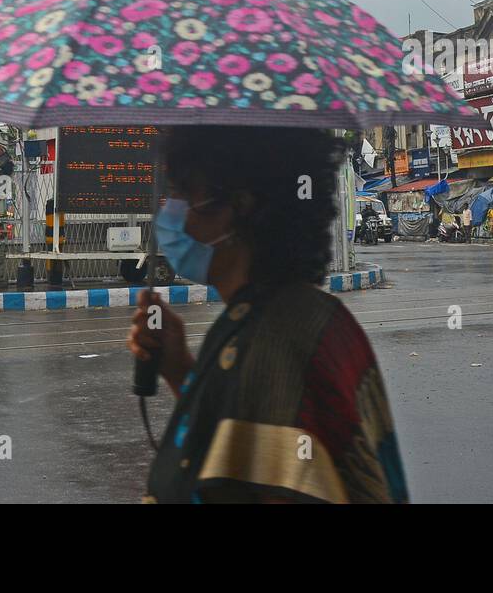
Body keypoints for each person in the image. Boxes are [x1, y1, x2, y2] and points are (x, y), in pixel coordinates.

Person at [127, 126, 408, 503]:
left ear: (238, 207)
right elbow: (229, 440)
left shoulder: (274, 347)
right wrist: (178, 368)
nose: (172, 214)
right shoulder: (310, 317)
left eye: (182, 195)